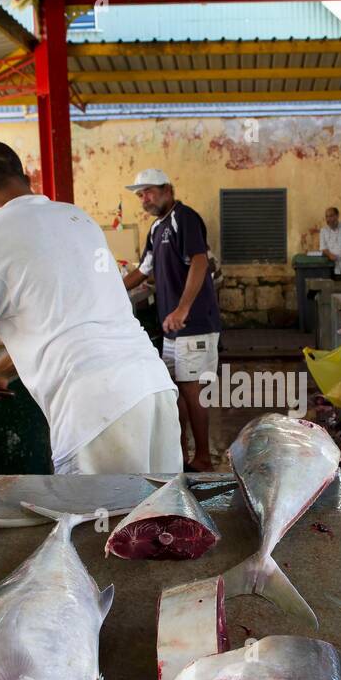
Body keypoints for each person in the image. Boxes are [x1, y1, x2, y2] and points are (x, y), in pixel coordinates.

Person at [0, 141, 181, 476]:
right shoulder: (77, 218)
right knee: (161, 520)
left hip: (97, 406)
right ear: (22, 177)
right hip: (152, 387)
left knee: (102, 524)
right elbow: (62, 323)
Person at [121, 169, 221, 472]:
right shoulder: (156, 228)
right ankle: (180, 455)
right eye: (140, 195)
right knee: (175, 391)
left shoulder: (184, 217)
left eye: (148, 192)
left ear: (167, 188)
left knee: (192, 389)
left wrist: (183, 309)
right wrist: (109, 289)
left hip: (194, 324)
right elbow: (143, 270)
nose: (144, 200)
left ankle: (202, 457)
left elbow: (200, 261)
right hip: (172, 328)